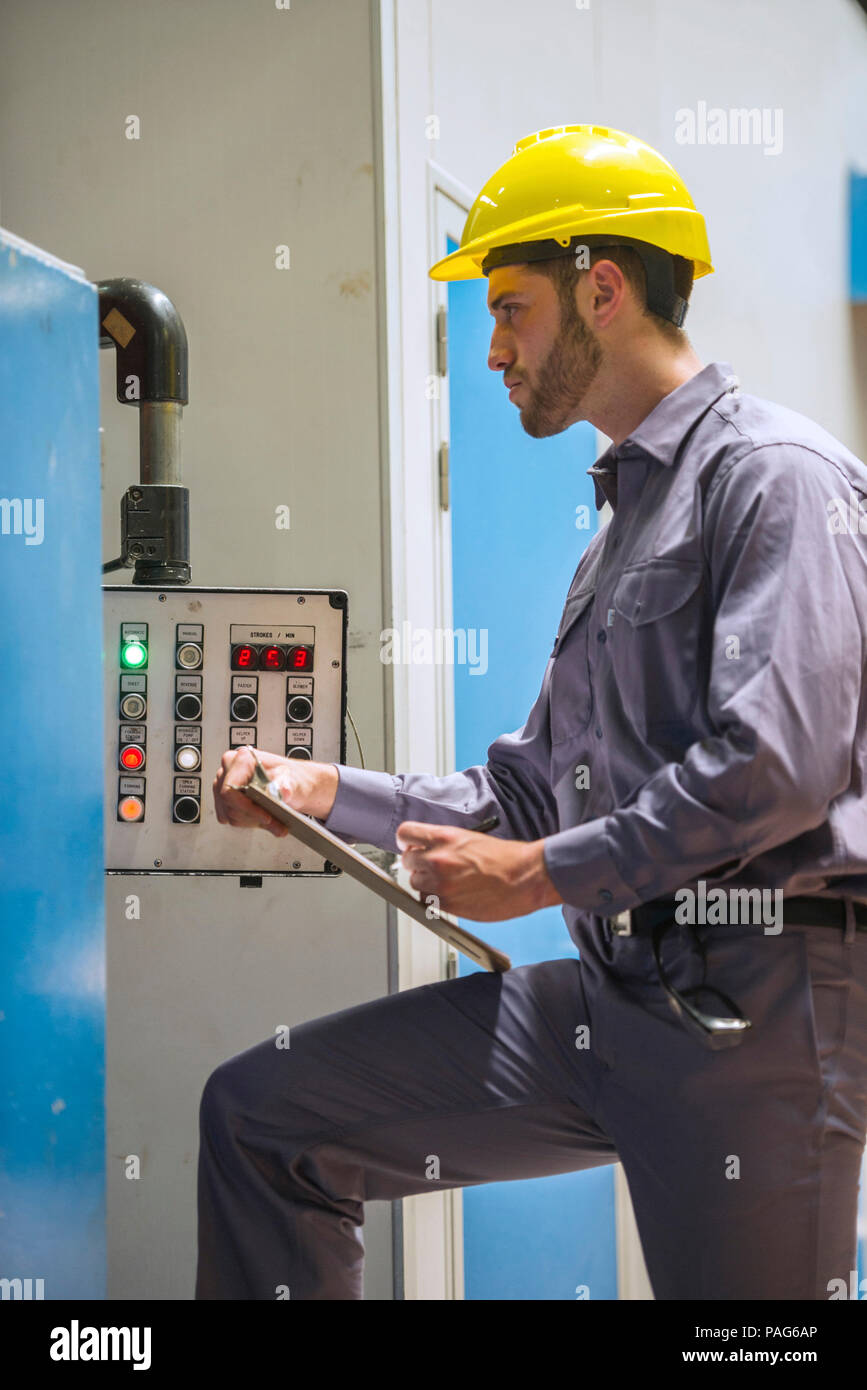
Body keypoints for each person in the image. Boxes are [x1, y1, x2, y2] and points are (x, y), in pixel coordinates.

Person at [195, 126, 867, 1301]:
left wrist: (544, 874)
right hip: (611, 1000)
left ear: (601, 291)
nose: (494, 349)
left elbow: (775, 765)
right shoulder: (616, 538)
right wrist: (325, 794)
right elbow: (523, 793)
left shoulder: (776, 478)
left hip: (757, 1019)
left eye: (511, 309)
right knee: (264, 1118)